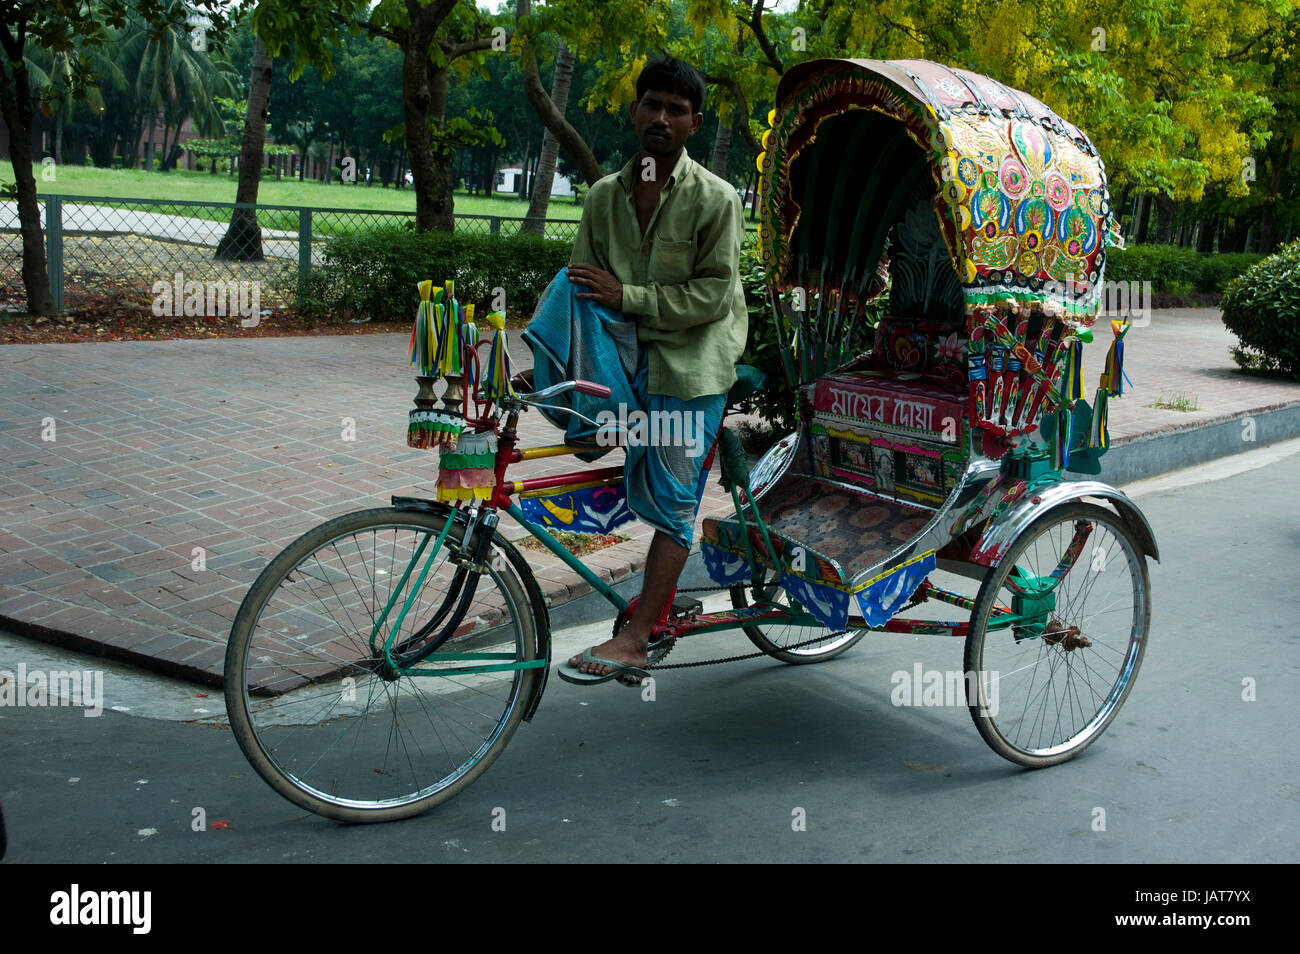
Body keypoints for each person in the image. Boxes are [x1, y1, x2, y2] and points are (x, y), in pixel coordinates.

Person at [557, 55, 748, 685]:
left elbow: (712, 299)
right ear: (634, 110)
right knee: (570, 305)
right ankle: (587, 419)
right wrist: (564, 376)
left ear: (694, 122)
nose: (661, 117)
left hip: (692, 365)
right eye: (652, 104)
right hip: (628, 358)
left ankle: (639, 638)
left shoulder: (715, 200)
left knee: (673, 501)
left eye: (676, 108)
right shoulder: (603, 199)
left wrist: (628, 297)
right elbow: (586, 293)